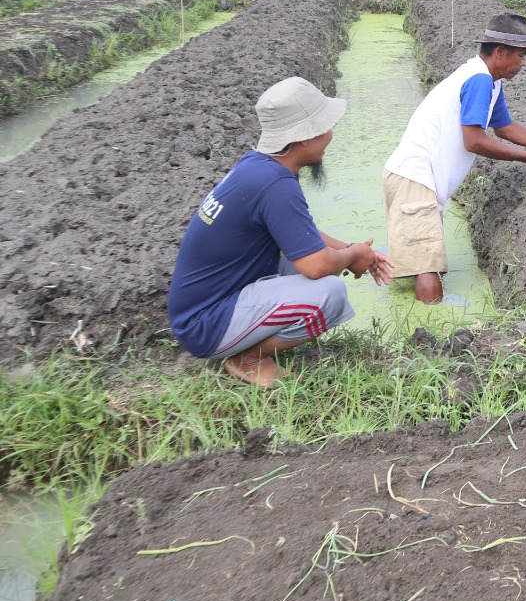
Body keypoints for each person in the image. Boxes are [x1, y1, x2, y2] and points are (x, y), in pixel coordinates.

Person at [168, 77, 395, 387]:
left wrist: (353, 251)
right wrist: (353, 255)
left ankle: (248, 343)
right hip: (205, 325)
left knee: (307, 258)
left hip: (208, 305)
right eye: (325, 127)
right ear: (303, 137)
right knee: (330, 294)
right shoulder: (275, 184)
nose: (330, 134)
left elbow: (302, 234)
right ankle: (246, 358)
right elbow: (314, 265)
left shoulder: (260, 167)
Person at [383, 13, 526, 303]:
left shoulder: (490, 80)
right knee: (428, 268)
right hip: (415, 179)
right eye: (521, 55)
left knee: (424, 263)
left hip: (414, 179)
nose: (523, 63)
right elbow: (474, 140)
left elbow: (504, 128)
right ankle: (432, 337)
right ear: (500, 52)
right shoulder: (479, 80)